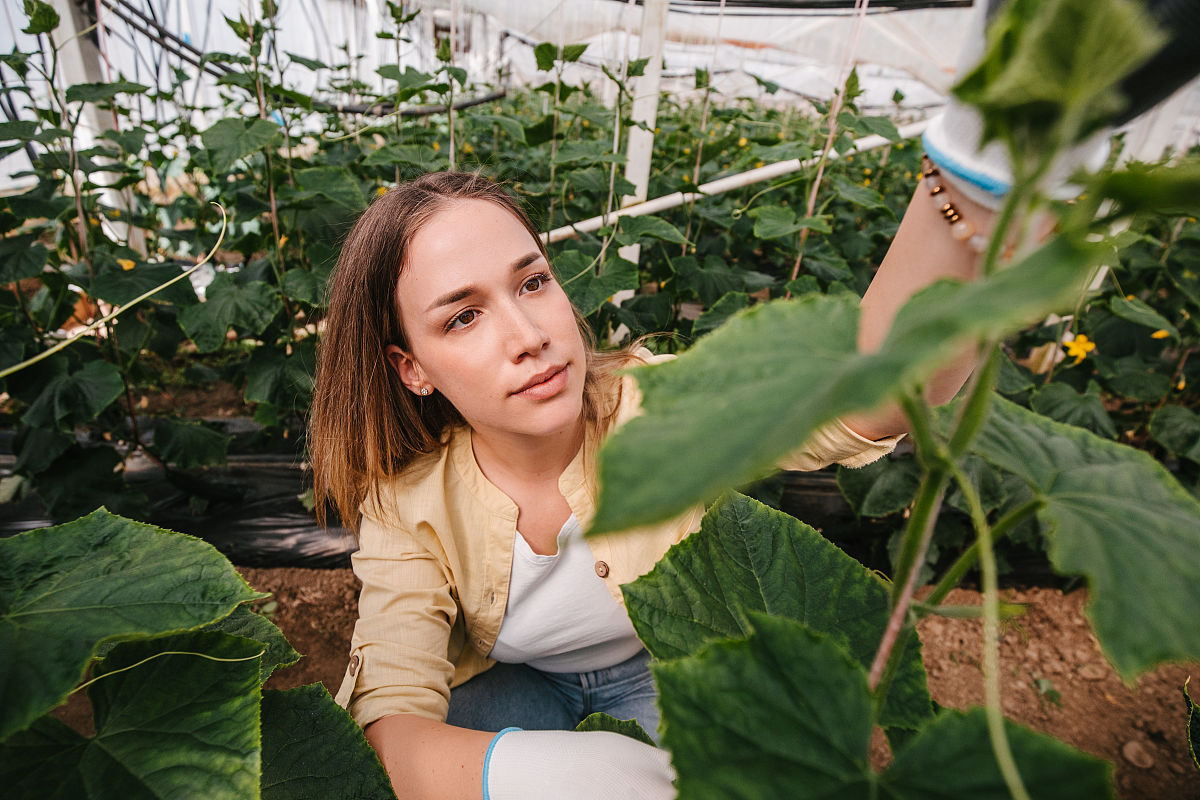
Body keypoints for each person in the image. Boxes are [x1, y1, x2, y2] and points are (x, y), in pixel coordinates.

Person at [308, 3, 1198, 798]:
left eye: (532, 282)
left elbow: (873, 398)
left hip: (674, 673)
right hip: (518, 688)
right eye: (462, 317)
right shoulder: (405, 501)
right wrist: (537, 771)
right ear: (411, 366)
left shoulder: (665, 407)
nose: (527, 332)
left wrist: (973, 173)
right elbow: (390, 719)